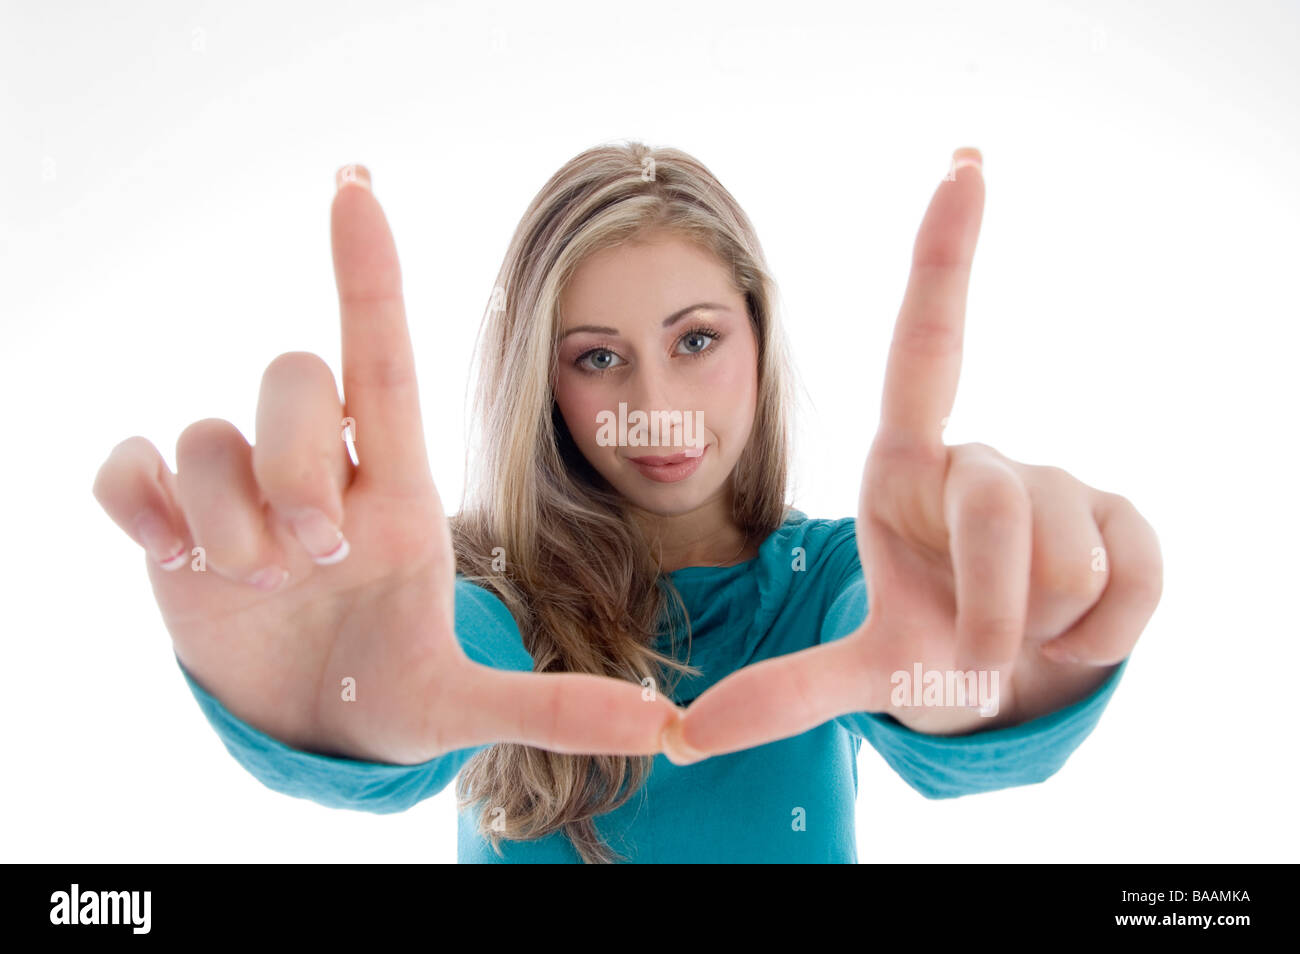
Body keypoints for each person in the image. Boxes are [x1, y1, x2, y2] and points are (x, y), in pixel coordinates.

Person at [92, 141, 1162, 863]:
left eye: (695, 341)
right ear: (543, 384)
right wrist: (332, 709)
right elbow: (440, 666)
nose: (655, 407)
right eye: (598, 358)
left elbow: (907, 669)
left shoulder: (835, 581)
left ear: (755, 338)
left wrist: (999, 674)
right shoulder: (477, 594)